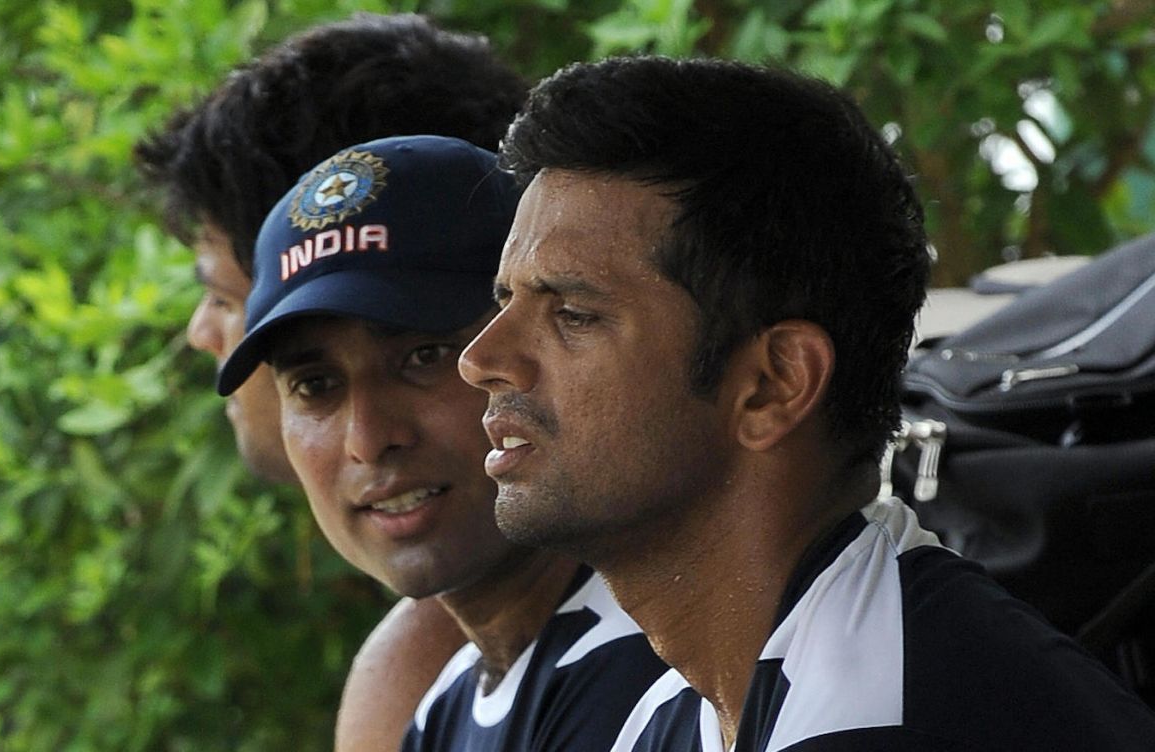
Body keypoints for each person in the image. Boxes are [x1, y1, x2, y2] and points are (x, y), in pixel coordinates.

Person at [458, 56, 1155, 751]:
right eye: (505, 300)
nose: (481, 360)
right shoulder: (684, 708)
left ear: (774, 385)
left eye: (573, 314)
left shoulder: (881, 722)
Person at [132, 14, 528, 750]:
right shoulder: (461, 660)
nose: (201, 332)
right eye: (313, 382)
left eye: (423, 354)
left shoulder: (424, 668)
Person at [217, 135, 671, 749]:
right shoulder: (448, 707)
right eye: (315, 385)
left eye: (424, 356)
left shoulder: (658, 666)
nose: (369, 439)